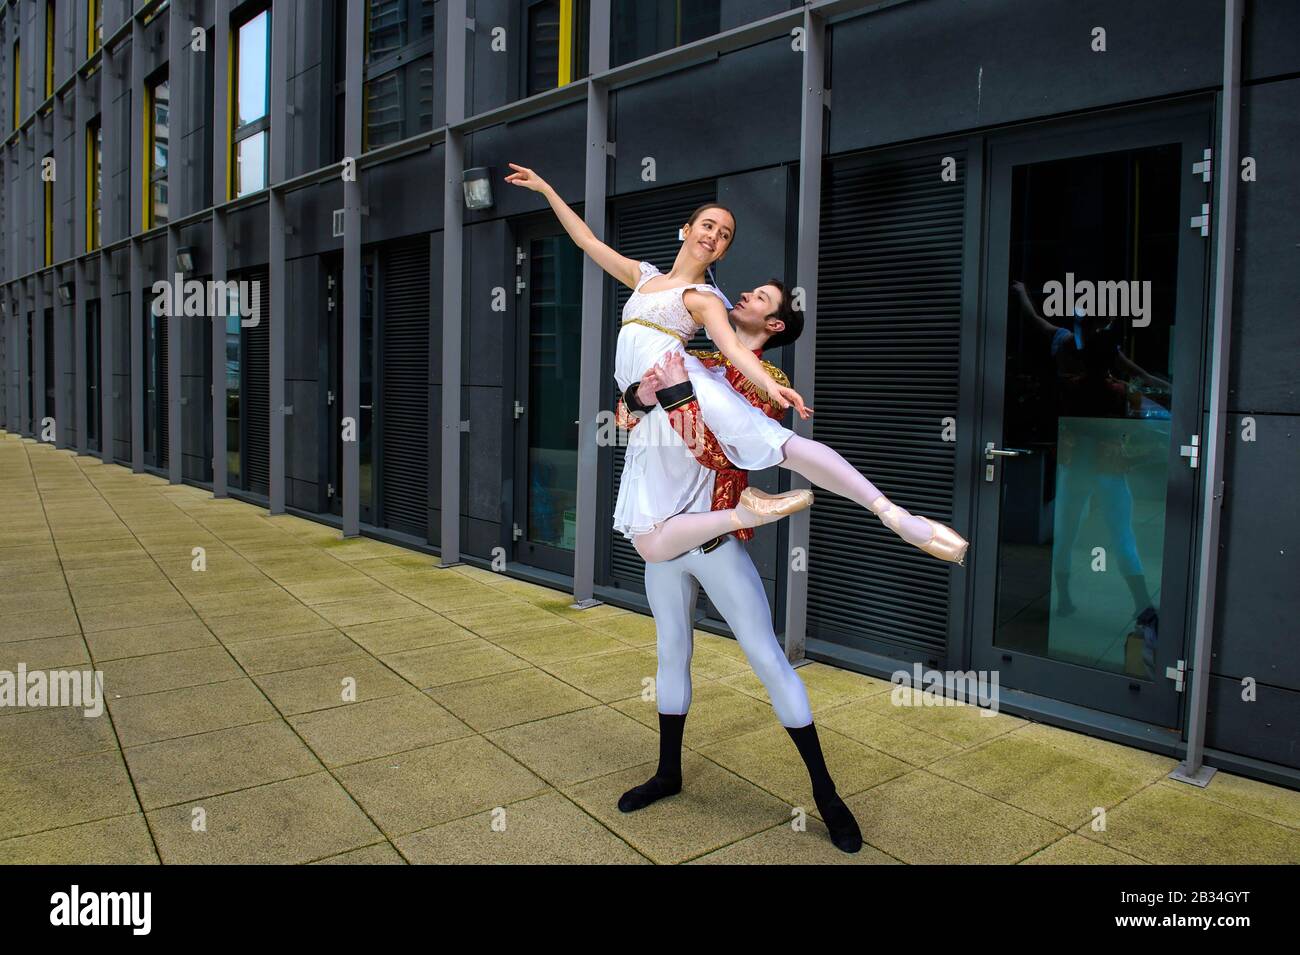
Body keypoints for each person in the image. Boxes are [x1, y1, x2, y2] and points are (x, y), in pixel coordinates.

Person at [504, 162, 969, 568]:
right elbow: (585, 239)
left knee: (780, 442)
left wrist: (771, 386)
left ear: (723, 252)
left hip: (680, 381)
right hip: (650, 405)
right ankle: (744, 514)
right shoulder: (643, 276)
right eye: (708, 225)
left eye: (724, 234)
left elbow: (733, 350)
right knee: (646, 541)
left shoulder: (705, 298)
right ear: (686, 230)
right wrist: (546, 190)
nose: (714, 235)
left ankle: (894, 515)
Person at [614, 281, 863, 853]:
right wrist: (641, 399)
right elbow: (625, 417)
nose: (741, 296)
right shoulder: (693, 356)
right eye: (746, 292)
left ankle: (827, 796)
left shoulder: (768, 386)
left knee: (767, 658)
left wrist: (672, 399)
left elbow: (719, 449)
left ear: (773, 326)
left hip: (712, 542)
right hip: (662, 534)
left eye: (757, 299)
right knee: (671, 653)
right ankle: (667, 772)